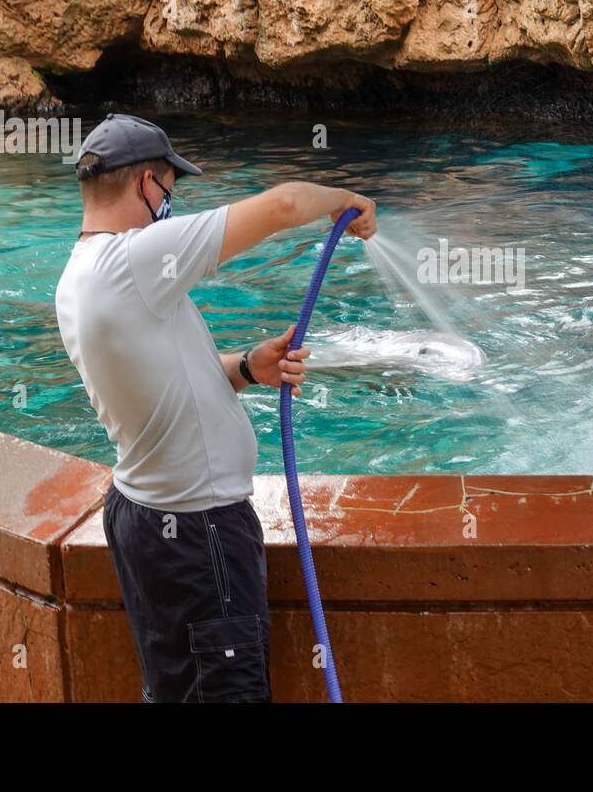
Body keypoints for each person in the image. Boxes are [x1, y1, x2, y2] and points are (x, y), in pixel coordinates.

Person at [54, 112, 376, 702]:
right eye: (171, 189)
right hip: (197, 533)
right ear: (147, 184)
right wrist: (346, 199)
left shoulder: (80, 276)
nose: (171, 201)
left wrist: (249, 367)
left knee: (178, 692)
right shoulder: (134, 260)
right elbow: (281, 206)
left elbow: (160, 388)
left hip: (145, 519)